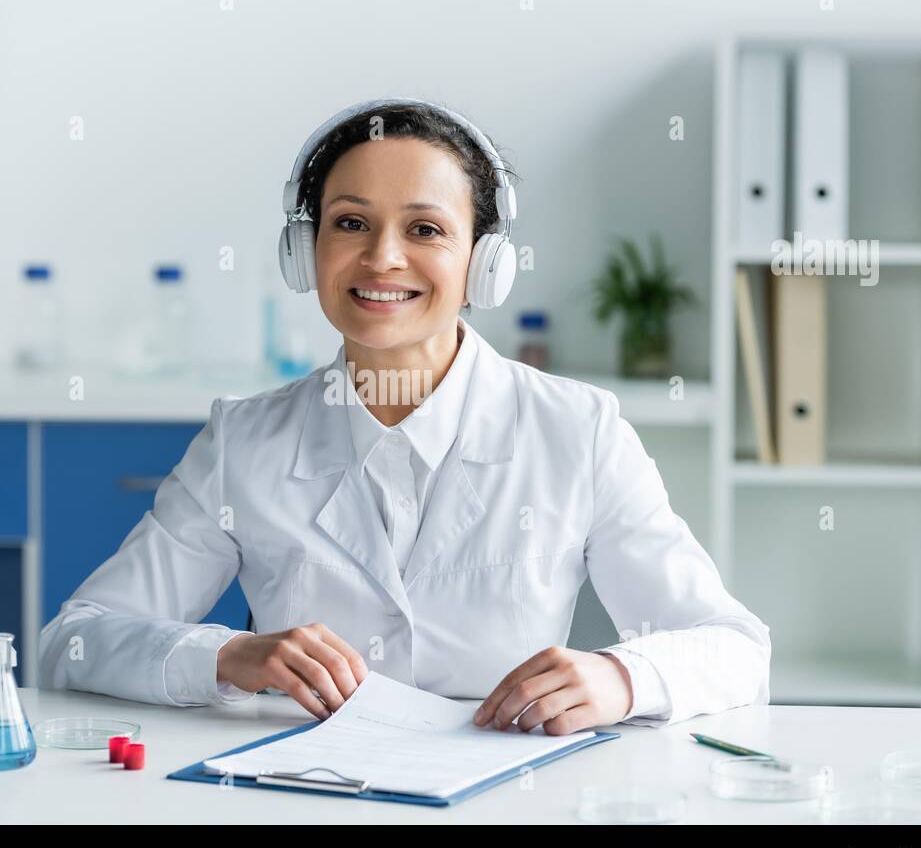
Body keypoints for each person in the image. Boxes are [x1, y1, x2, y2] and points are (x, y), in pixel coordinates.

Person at [39, 97, 770, 734]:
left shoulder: (578, 431)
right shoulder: (244, 441)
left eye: (425, 229)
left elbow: (735, 644)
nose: (383, 258)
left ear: (485, 263)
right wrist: (228, 655)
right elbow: (72, 641)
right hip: (310, 794)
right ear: (307, 252)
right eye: (351, 222)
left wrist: (620, 677)